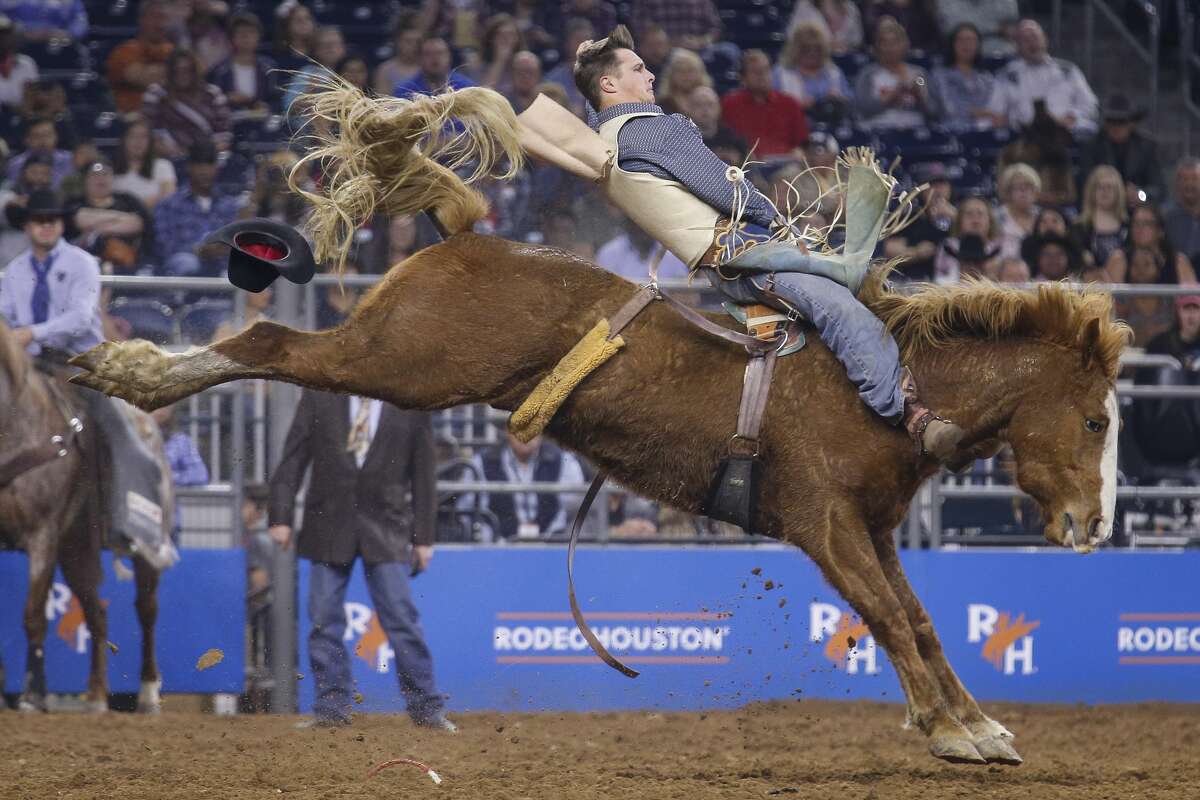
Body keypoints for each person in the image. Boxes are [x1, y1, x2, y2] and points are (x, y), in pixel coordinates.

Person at [552, 24, 966, 464]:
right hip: (751, 256)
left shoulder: (605, 142)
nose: (651, 75)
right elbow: (726, 189)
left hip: (726, 266)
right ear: (609, 84)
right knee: (842, 305)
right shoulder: (653, 129)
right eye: (639, 68)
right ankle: (912, 415)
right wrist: (781, 223)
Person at [267, 388, 454, 731]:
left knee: (401, 618)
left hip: (386, 526)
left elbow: (424, 472)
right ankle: (331, 708)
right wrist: (279, 514)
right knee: (324, 619)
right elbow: (292, 457)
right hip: (327, 523)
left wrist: (424, 537)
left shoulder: (410, 399)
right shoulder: (319, 396)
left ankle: (426, 707)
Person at [0, 190, 168, 562]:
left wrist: (32, 333)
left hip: (79, 366)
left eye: (53, 220)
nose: (46, 226)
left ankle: (135, 522)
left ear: (60, 225)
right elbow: (5, 313)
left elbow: (79, 317)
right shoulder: (14, 272)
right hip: (29, 367)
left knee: (121, 433)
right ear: (28, 226)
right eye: (39, 220)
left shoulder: (83, 264)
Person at [459, 430, 586, 540]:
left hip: (552, 546)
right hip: (499, 548)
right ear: (508, 431)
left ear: (541, 430)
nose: (526, 434)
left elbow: (572, 508)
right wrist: (493, 542)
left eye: (533, 426)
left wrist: (552, 538)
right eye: (519, 426)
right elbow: (470, 510)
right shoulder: (481, 461)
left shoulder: (564, 460)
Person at [987, 19, 1098, 136]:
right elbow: (995, 111)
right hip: (1024, 138)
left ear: (1045, 39)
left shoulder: (1067, 70)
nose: (1031, 43)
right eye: (1025, 40)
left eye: (1034, 37)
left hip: (1065, 134)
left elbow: (1090, 104)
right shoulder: (1006, 76)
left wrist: (1071, 117)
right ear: (1017, 46)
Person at [154, 142, 242, 280]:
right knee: (187, 262)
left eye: (209, 164)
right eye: (199, 165)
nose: (204, 171)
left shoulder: (229, 205)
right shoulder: (169, 204)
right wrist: (199, 251)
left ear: (216, 168)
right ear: (189, 167)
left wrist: (220, 250)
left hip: (222, 264)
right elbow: (164, 246)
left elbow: (239, 241)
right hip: (185, 262)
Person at [63, 158, 154, 272]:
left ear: (113, 178)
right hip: (83, 264)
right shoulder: (74, 202)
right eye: (95, 175)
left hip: (126, 264)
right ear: (86, 179)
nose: (101, 179)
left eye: (105, 174)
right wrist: (120, 218)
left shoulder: (128, 200)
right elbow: (79, 219)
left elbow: (137, 223)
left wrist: (95, 231)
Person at [1077, 93, 1166, 208]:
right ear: (1105, 123)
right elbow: (1085, 183)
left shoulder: (1146, 147)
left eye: (1121, 121)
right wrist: (1113, 193)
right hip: (1101, 207)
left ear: (1131, 123)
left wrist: (1139, 194)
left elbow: (1159, 189)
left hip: (1136, 209)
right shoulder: (1091, 146)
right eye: (1111, 121)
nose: (1116, 127)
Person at [142, 48, 233, 158]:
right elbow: (149, 134)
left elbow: (224, 136)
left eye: (187, 70)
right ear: (170, 72)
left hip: (208, 159)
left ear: (195, 71)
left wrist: (201, 156)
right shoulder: (156, 94)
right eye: (177, 71)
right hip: (169, 158)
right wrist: (177, 155)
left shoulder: (213, 94)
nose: (182, 75)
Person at [720, 50, 809, 159]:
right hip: (746, 166)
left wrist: (798, 152)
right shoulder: (730, 104)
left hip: (785, 165)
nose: (762, 76)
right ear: (743, 78)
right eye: (755, 71)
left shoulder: (790, 104)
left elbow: (801, 144)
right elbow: (724, 142)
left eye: (766, 70)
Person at [853, 16, 934, 131]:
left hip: (914, 132)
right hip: (880, 131)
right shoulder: (868, 74)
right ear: (878, 47)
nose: (890, 48)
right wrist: (892, 95)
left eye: (895, 42)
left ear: (905, 45)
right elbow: (862, 110)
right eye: (885, 43)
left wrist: (919, 96)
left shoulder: (919, 75)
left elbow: (933, 111)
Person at [774, 21, 852, 126]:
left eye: (817, 49)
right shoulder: (781, 74)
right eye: (806, 49)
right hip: (794, 128)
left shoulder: (834, 73)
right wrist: (797, 105)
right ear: (796, 50)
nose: (812, 53)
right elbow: (771, 107)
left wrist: (838, 99)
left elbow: (849, 103)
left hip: (833, 126)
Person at [1104, 202, 1198, 285]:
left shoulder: (1178, 261)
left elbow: (1192, 299)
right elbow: (1110, 300)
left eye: (1147, 223)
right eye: (1136, 223)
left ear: (1160, 231)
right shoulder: (1119, 259)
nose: (1139, 228)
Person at [106, 0, 174, 113]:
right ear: (141, 20)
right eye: (154, 17)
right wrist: (172, 73)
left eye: (164, 18)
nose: (160, 24)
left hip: (169, 119)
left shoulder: (173, 50)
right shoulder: (124, 52)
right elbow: (147, 80)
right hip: (133, 118)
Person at [206, 12, 278, 114]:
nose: (246, 36)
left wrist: (267, 107)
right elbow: (211, 102)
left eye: (251, 32)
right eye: (240, 32)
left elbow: (276, 100)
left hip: (262, 123)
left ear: (259, 36)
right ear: (232, 38)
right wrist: (227, 98)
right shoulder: (219, 71)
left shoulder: (269, 67)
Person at [929, 23, 996, 130]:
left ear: (978, 45)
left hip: (984, 132)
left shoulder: (987, 78)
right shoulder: (939, 75)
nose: (966, 44)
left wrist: (986, 115)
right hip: (950, 131)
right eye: (961, 40)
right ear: (952, 44)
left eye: (971, 40)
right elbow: (949, 109)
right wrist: (979, 113)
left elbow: (994, 109)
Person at [112, 114, 177, 210]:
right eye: (133, 136)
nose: (138, 142)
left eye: (143, 137)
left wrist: (132, 206)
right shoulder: (111, 168)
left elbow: (169, 198)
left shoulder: (162, 165)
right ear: (123, 140)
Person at [1072, 165, 1128, 268]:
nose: (1104, 191)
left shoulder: (1129, 225)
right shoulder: (1079, 227)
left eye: (1109, 187)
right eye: (1100, 187)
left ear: (1118, 192)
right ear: (1092, 191)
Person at [933, 195, 997, 284]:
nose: (975, 220)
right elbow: (940, 280)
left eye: (980, 214)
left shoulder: (999, 247)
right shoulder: (948, 246)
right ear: (960, 221)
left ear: (990, 221)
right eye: (969, 214)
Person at [395, 36, 476, 98]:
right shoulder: (405, 91)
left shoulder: (467, 88)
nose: (435, 58)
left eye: (440, 53)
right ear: (419, 58)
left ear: (449, 56)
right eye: (428, 54)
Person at [5, 117, 73, 189]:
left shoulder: (70, 160)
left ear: (56, 136)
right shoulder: (16, 164)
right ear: (27, 140)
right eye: (36, 136)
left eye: (48, 135)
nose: (43, 141)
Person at [934, 0, 1018, 58]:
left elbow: (1010, 26)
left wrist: (972, 23)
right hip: (960, 56)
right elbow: (952, 27)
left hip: (1002, 52)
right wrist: (996, 29)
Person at [993, 162, 1041, 260]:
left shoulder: (1043, 217)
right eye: (1018, 187)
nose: (1023, 192)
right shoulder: (996, 217)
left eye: (1028, 186)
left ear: (1035, 191)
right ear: (1008, 192)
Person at [631, 0, 721, 51]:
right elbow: (640, 27)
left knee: (728, 50)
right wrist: (666, 42)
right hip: (659, 49)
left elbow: (715, 28)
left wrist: (701, 41)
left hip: (698, 49)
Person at [373, 11, 423, 95]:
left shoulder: (427, 68)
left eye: (417, 41)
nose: (414, 46)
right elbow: (382, 102)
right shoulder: (385, 70)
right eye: (408, 41)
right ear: (398, 42)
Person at [787, 0, 863, 55]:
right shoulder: (805, 6)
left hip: (845, 68)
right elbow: (792, 38)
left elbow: (857, 41)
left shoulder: (851, 8)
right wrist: (825, 46)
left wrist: (846, 47)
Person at [1164, 158, 1200, 266]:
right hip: (1174, 279)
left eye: (1194, 179)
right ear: (1177, 183)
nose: (1189, 184)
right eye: (1184, 179)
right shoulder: (1167, 217)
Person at [655, 47, 711, 116]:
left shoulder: (710, 100)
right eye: (680, 70)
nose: (686, 75)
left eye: (690, 70)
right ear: (671, 74)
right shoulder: (662, 105)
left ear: (700, 73)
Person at [0, 13, 38, 110]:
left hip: (20, 120)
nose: (2, 38)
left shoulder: (27, 64)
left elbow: (32, 101)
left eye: (6, 34)